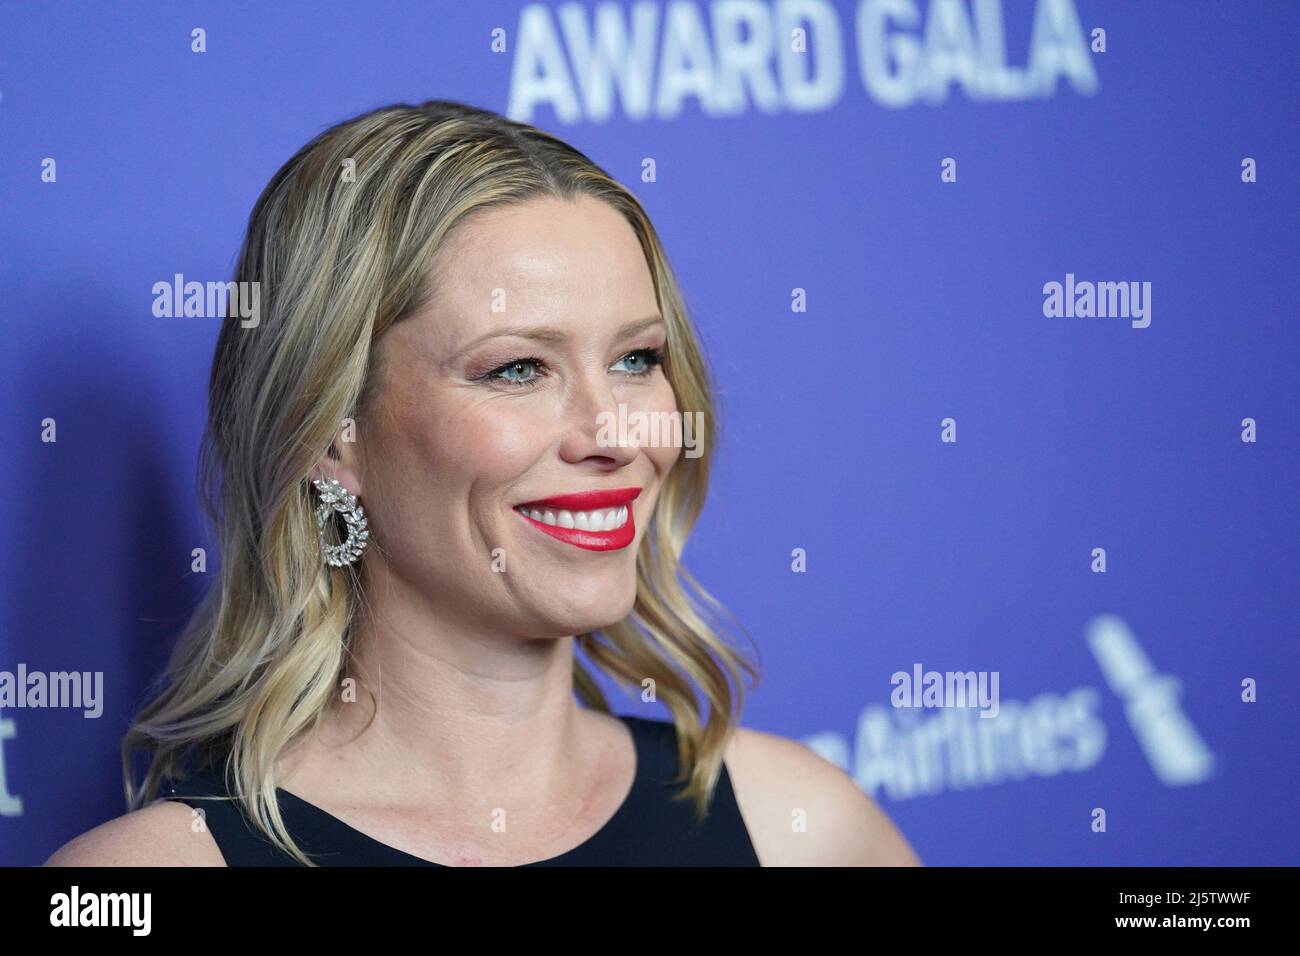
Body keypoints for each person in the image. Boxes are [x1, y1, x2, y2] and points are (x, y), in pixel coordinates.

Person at [45, 99, 920, 867]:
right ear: (329, 436)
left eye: (636, 359)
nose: (615, 435)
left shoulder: (800, 830)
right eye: (517, 369)